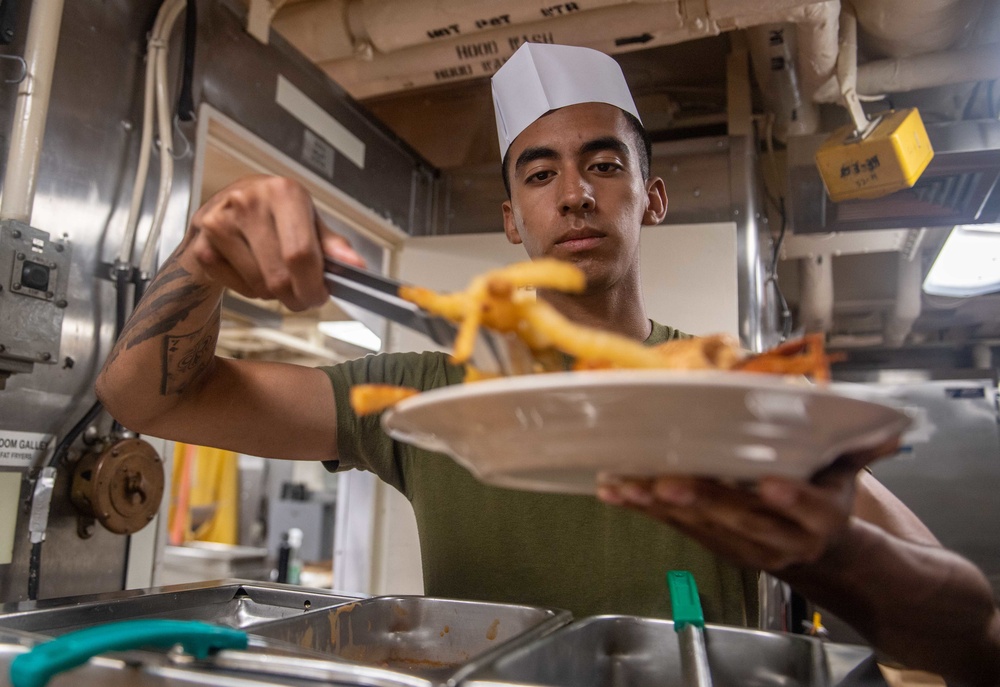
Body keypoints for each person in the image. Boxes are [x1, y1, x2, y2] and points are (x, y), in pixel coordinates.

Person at [96, 42, 1000, 685]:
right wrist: (200, 263)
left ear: (649, 197)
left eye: (603, 164)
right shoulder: (421, 395)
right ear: (511, 220)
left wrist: (838, 558)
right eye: (538, 173)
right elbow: (148, 398)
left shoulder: (736, 393)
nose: (573, 192)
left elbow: (969, 633)